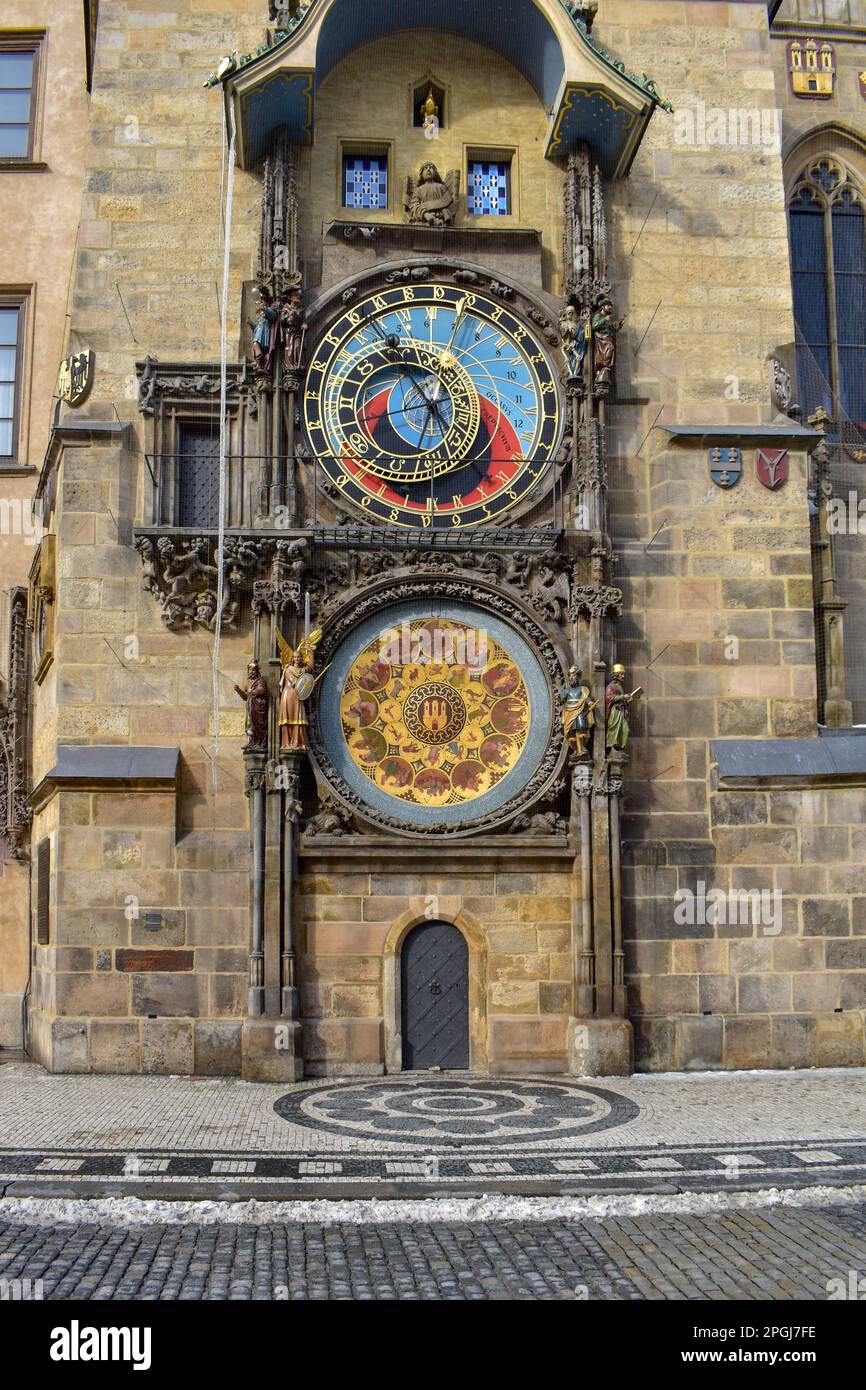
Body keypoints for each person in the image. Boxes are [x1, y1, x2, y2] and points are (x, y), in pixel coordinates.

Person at [234, 660, 270, 750]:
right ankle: (251, 742)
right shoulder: (248, 683)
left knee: (259, 725)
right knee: (250, 725)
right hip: (250, 708)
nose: (251, 672)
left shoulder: (260, 681)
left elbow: (261, 690)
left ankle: (260, 743)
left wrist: (253, 691)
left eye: (253, 670)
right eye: (250, 670)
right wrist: (238, 690)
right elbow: (245, 697)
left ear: (257, 671)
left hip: (258, 707)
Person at [561, 666, 596, 758]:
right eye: (569, 676)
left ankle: (582, 748)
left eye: (573, 676)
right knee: (571, 732)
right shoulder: (567, 690)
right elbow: (561, 699)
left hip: (580, 712)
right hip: (569, 712)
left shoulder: (582, 689)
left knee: (581, 729)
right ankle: (575, 749)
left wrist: (590, 703)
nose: (570, 678)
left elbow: (586, 699)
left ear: (578, 677)